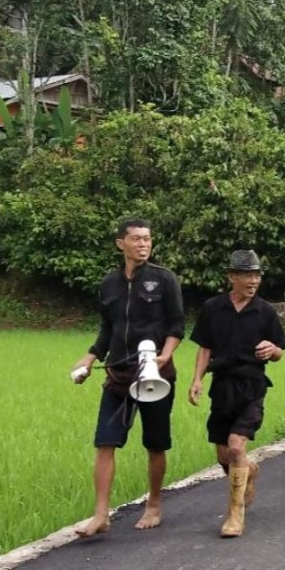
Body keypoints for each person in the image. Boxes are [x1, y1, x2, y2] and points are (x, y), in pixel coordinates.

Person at [71, 219, 185, 537]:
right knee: (105, 442)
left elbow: (177, 325)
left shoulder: (165, 279)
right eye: (136, 239)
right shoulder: (109, 284)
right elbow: (107, 329)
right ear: (121, 244)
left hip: (155, 376)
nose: (143, 244)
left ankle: (154, 504)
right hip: (118, 375)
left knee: (155, 444)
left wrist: (165, 355)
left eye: (147, 239)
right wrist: (89, 358)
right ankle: (100, 515)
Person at [188, 250, 285, 538]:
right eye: (247, 275)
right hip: (222, 386)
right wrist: (197, 380)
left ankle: (235, 513)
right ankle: (249, 471)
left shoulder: (265, 311)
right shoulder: (212, 308)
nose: (253, 281)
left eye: (256, 275)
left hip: (252, 386)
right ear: (232, 277)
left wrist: (272, 350)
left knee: (235, 448)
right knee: (223, 455)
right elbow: (205, 348)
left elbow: (279, 351)